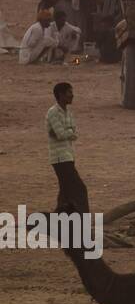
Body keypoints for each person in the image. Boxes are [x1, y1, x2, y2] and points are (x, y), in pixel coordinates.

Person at [47, 82, 81, 210]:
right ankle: (82, 219)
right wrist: (68, 132)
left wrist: (65, 132)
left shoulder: (68, 112)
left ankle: (58, 218)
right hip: (59, 158)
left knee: (65, 190)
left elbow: (74, 134)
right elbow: (62, 134)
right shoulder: (53, 112)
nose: (72, 95)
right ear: (61, 95)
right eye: (69, 92)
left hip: (68, 155)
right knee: (79, 189)